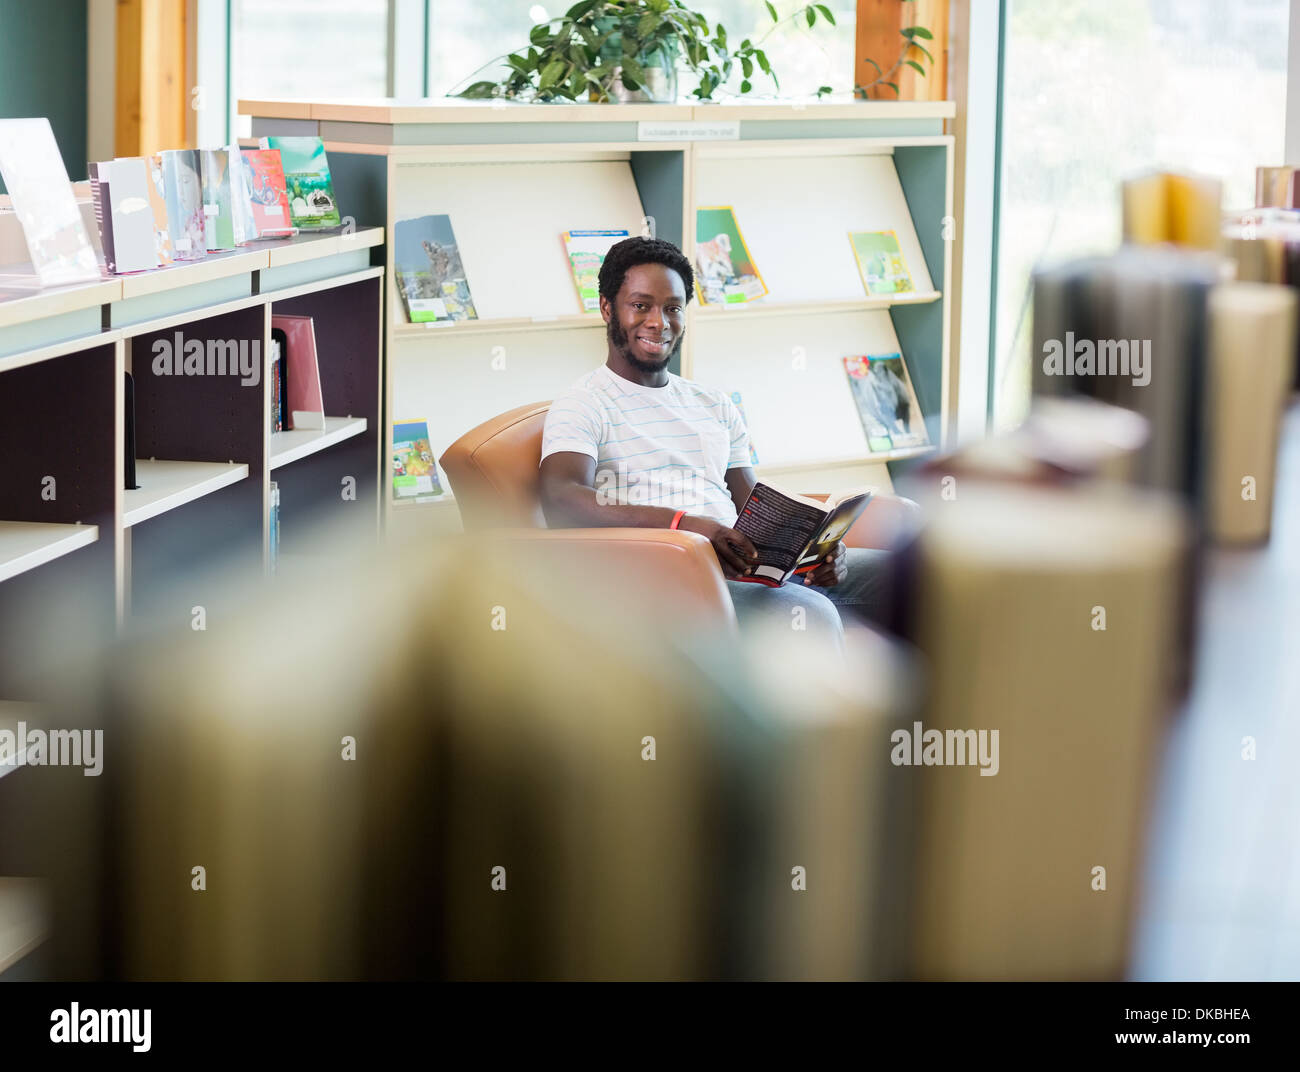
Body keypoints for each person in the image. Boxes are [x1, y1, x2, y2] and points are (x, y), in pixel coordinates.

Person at [538, 237, 891, 646]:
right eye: (640, 305)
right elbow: (561, 497)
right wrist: (686, 526)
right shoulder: (583, 402)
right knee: (809, 614)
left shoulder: (712, 403)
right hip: (664, 581)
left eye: (673, 308)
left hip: (739, 569)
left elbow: (751, 504)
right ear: (606, 308)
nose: (659, 321)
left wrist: (814, 554)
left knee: (915, 580)